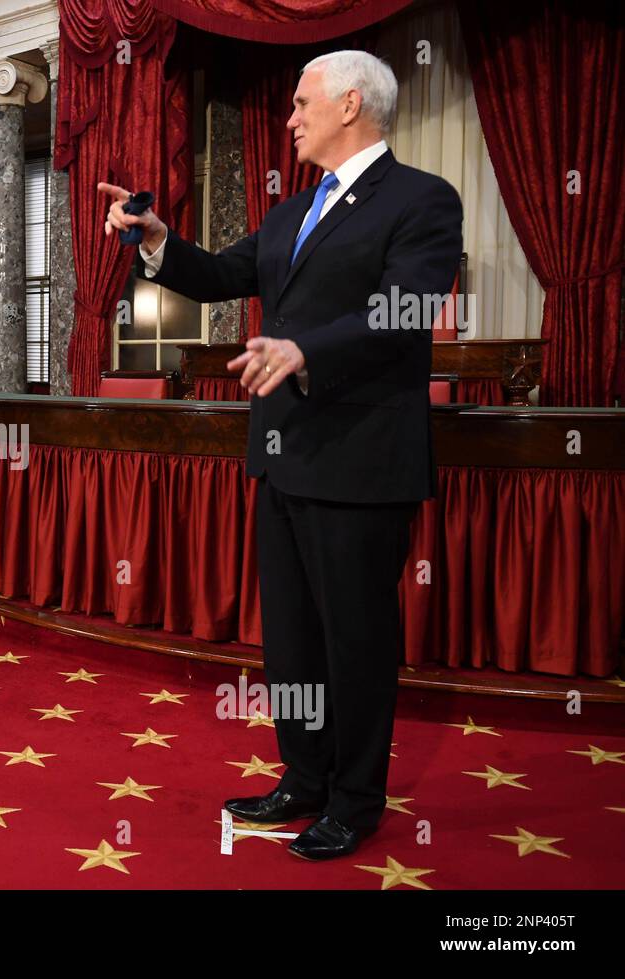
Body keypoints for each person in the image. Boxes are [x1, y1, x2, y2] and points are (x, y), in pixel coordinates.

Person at [101, 50, 462, 860]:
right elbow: (225, 272)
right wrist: (159, 240)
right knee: (293, 640)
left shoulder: (423, 199)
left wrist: (304, 348)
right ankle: (303, 775)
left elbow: (405, 310)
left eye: (301, 103)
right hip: (283, 455)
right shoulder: (292, 210)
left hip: (363, 463)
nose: (290, 116)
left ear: (350, 105)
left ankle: (356, 799)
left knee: (357, 642)